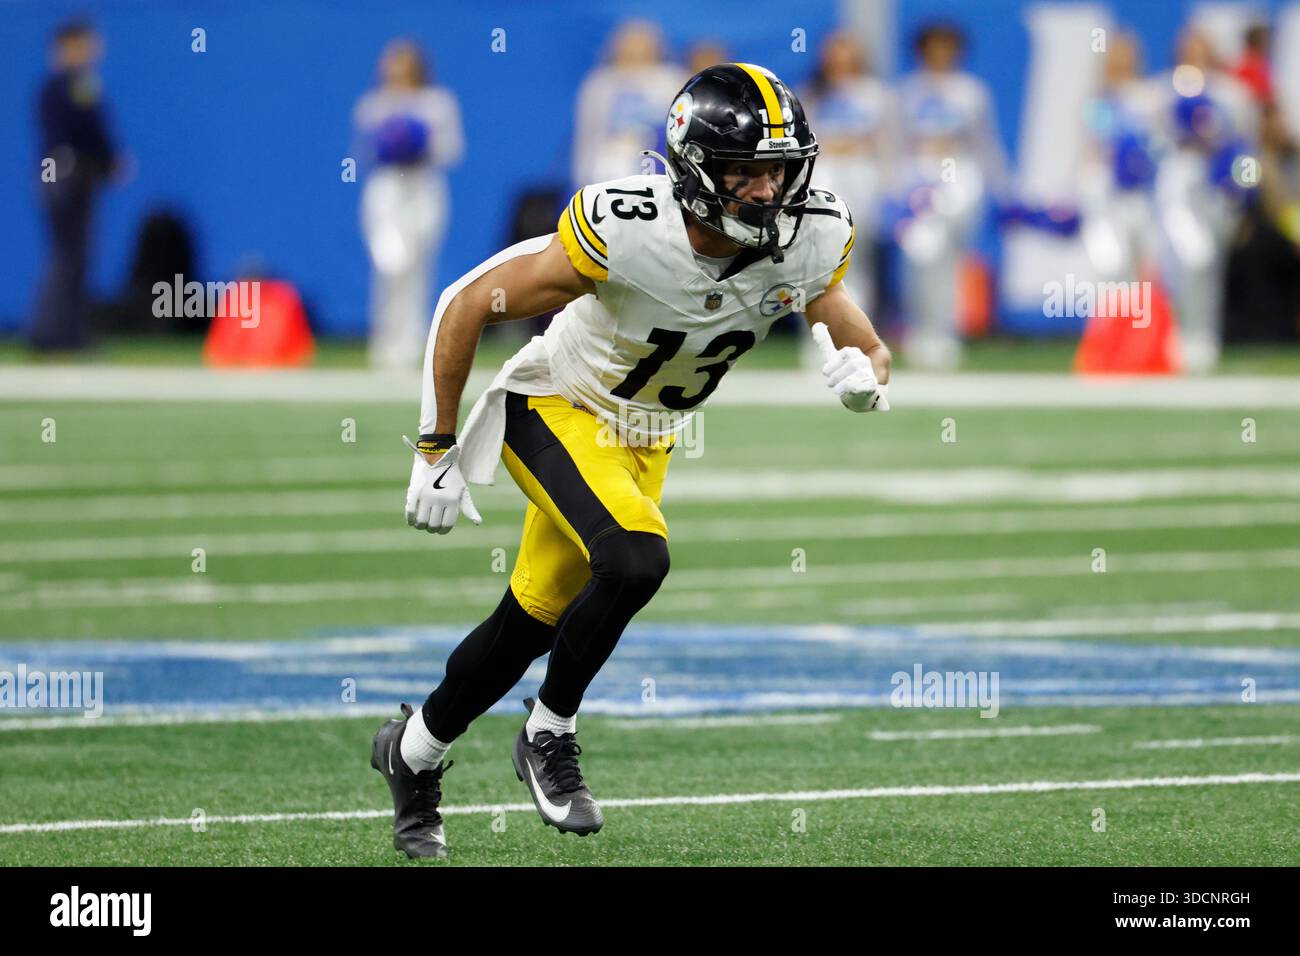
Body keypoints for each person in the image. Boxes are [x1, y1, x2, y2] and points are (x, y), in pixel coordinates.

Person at [371, 64, 892, 859]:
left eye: (779, 171)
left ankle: (412, 753)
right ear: (693, 169)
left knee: (527, 625)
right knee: (636, 559)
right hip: (556, 405)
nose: (767, 190)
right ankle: (549, 733)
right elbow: (468, 301)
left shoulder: (810, 234)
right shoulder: (628, 225)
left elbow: (865, 341)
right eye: (745, 172)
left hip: (646, 439)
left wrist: (866, 376)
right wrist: (436, 446)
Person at [894, 23, 1009, 369]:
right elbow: (896, 143)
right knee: (921, 255)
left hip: (959, 175)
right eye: (934, 46)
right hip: (919, 176)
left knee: (950, 258)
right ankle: (920, 329)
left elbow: (985, 143)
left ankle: (944, 332)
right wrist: (897, 186)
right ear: (922, 50)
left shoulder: (971, 91)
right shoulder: (907, 92)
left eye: (948, 46)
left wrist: (1003, 188)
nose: (942, 53)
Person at [353, 39, 464, 369]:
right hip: (387, 190)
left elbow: (452, 149)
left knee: (418, 266)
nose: (396, 69)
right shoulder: (373, 103)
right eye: (391, 62)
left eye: (403, 62)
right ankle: (384, 339)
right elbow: (364, 151)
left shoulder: (437, 102)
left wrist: (421, 144)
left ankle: (412, 343)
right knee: (389, 264)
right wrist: (391, 145)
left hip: (424, 187)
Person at [31, 19, 120, 353]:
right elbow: (90, 129)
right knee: (71, 255)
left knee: (65, 255)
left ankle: (56, 332)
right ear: (72, 46)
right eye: (89, 44)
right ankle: (60, 335)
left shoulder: (52, 85)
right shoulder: (75, 83)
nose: (96, 51)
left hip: (56, 175)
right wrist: (110, 162)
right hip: (71, 175)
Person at [570, 20, 685, 185]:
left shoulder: (670, 80)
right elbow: (588, 133)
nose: (634, 50)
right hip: (609, 161)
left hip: (654, 157)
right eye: (629, 44)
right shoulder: (599, 83)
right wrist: (582, 177)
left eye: (641, 44)